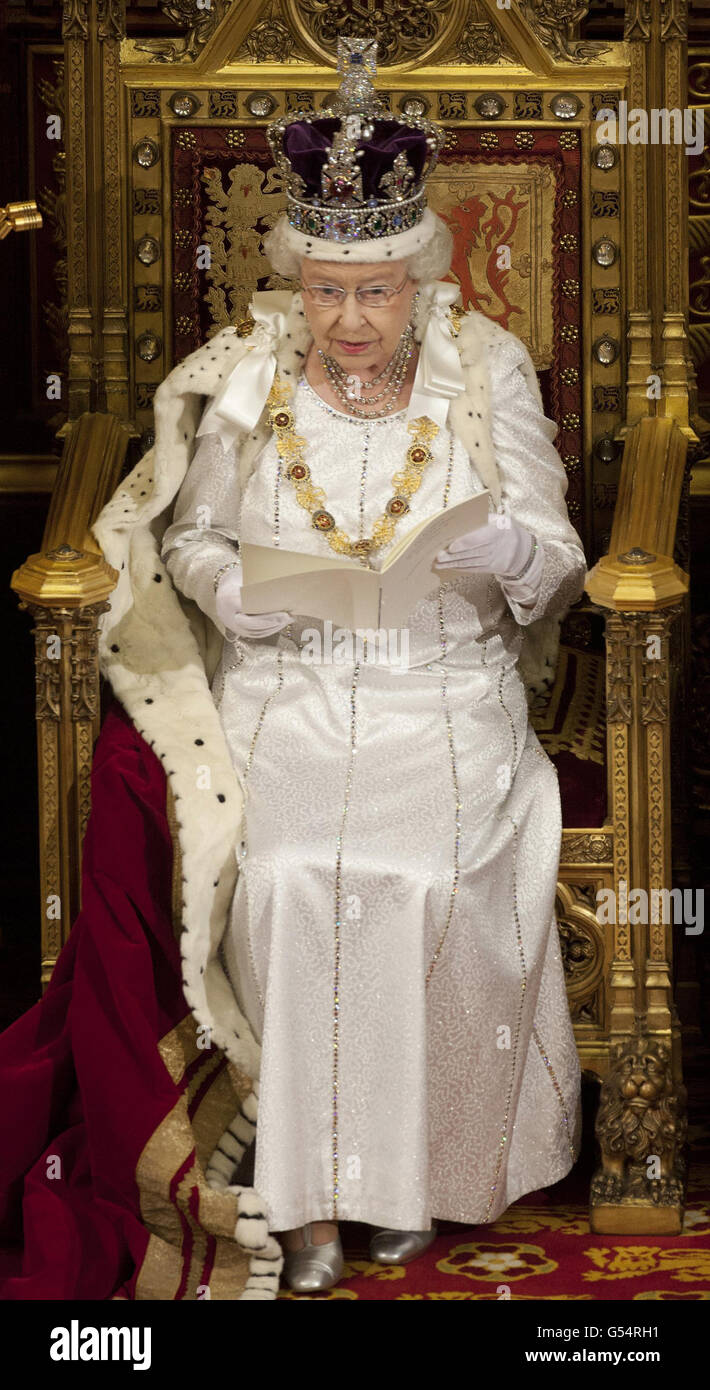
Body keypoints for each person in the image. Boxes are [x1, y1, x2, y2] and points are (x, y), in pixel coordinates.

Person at [148, 37, 588, 1293]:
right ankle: (304, 1206)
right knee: (288, 877)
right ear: (295, 278)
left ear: (419, 278)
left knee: (411, 876)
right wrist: (231, 587)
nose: (350, 320)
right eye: (328, 289)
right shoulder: (249, 381)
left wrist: (504, 541)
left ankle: (410, 1180)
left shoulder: (484, 371)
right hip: (286, 696)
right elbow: (188, 538)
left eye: (377, 290)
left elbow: (555, 563)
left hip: (441, 698)